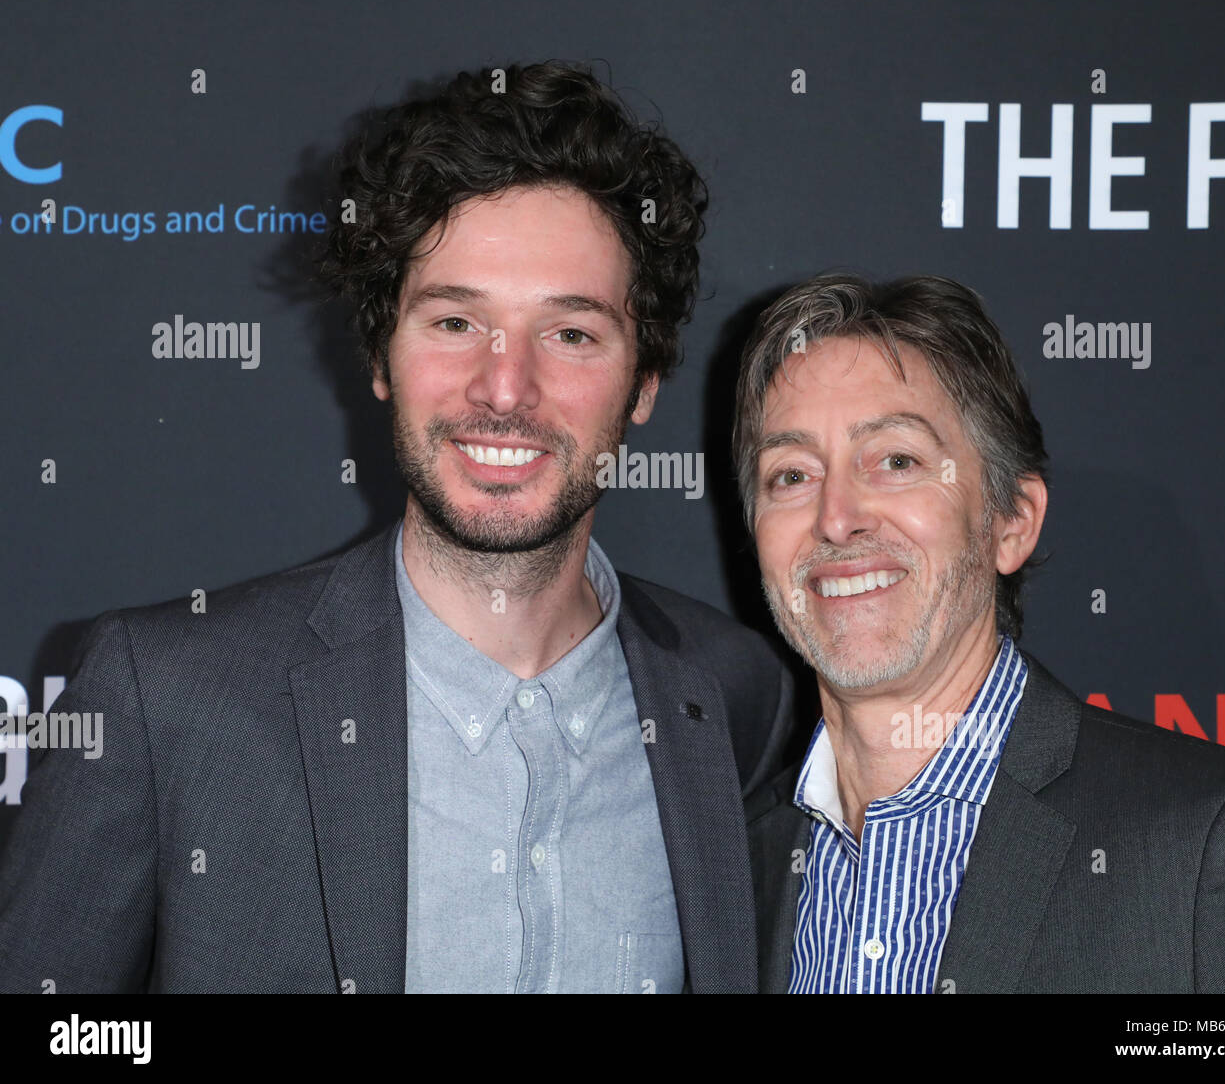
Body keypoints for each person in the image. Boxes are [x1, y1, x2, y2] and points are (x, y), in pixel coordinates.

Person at [0, 61, 795, 994]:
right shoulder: (168, 698)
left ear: (646, 382)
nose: (505, 387)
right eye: (455, 322)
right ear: (382, 357)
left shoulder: (736, 698)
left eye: (571, 333)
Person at [734, 272, 1225, 993]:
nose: (837, 516)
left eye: (897, 461)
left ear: (1013, 522)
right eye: (791, 474)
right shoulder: (730, 867)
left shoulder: (1211, 847)